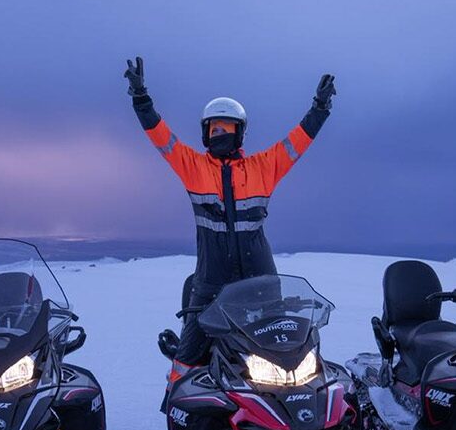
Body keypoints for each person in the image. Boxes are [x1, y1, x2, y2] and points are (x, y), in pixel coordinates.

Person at [125, 56, 336, 378]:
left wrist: (319, 109)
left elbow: (297, 141)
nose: (220, 132)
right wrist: (142, 99)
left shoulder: (264, 167)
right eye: (214, 128)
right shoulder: (192, 167)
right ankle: (176, 406)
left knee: (282, 348)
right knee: (188, 351)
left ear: (240, 133)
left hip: (260, 276)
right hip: (211, 277)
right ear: (205, 133)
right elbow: (162, 138)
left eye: (226, 128)